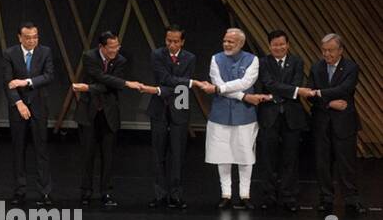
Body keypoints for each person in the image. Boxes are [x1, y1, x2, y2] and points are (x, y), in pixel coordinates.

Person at [71, 30, 143, 207]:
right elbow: (101, 77)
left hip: (109, 113)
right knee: (87, 155)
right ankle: (86, 191)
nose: (115, 50)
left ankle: (106, 192)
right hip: (89, 112)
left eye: (117, 47)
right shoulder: (89, 57)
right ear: (101, 47)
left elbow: (111, 85)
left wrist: (88, 88)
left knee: (108, 156)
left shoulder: (121, 60)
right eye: (111, 47)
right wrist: (125, 83)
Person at [299, 33, 364, 215]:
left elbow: (344, 89)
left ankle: (351, 200)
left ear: (341, 50)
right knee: (323, 164)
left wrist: (318, 94)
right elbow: (310, 94)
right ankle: (326, 199)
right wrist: (329, 102)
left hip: (344, 124)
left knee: (347, 163)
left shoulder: (351, 67)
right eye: (324, 50)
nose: (327, 54)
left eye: (331, 51)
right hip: (321, 123)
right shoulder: (316, 67)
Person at [145, 25, 202, 209]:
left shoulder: (190, 58)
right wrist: (190, 82)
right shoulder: (156, 55)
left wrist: (163, 89)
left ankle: (176, 194)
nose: (171, 44)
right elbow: (164, 78)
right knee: (158, 153)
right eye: (169, 40)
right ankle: (160, 194)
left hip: (181, 101)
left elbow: (179, 87)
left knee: (178, 153)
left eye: (175, 41)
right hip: (159, 105)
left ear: (182, 42)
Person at [251, 29, 307, 213]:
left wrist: (276, 96)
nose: (279, 47)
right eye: (275, 45)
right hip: (269, 116)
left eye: (282, 44)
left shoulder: (297, 61)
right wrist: (287, 93)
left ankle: (289, 196)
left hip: (292, 116)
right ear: (270, 46)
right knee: (268, 158)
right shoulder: (263, 62)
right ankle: (269, 196)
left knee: (291, 158)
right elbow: (268, 83)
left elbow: (297, 84)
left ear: (288, 44)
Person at [204, 28, 258, 209]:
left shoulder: (252, 60)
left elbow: (245, 82)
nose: (226, 44)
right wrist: (242, 96)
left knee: (245, 155)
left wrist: (221, 89)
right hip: (220, 114)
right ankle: (225, 194)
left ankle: (245, 194)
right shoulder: (215, 59)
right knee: (223, 155)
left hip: (244, 115)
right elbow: (217, 83)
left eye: (231, 42)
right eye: (225, 41)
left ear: (241, 44)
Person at [2, 22, 54, 205]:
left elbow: (48, 76)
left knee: (41, 150)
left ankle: (44, 191)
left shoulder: (45, 52)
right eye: (28, 37)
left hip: (39, 106)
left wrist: (26, 82)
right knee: (18, 149)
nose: (32, 41)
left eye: (35, 37)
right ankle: (20, 190)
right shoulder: (10, 54)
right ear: (20, 37)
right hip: (18, 109)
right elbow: (8, 82)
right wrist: (19, 103)